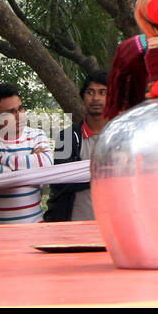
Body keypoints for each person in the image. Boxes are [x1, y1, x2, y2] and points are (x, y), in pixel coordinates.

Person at [0, 82, 54, 224]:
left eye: (21, 109)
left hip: (34, 228)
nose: (19, 116)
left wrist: (1, 160)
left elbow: (46, 162)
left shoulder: (36, 135)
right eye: (11, 112)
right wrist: (29, 164)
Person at [45, 73, 110, 222]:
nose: (95, 98)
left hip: (115, 226)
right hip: (74, 223)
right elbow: (62, 182)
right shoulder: (66, 137)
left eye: (103, 92)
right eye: (90, 92)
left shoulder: (122, 136)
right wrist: (107, 173)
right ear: (83, 97)